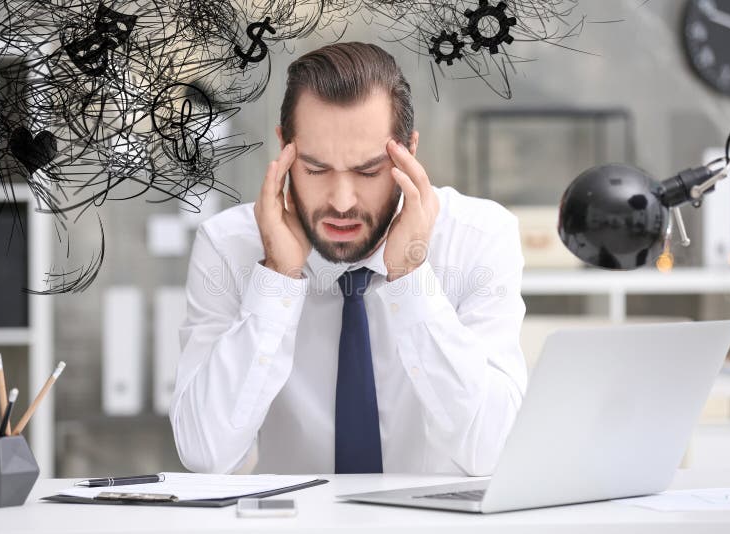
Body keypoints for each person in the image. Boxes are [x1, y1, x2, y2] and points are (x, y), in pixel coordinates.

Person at [169, 41, 527, 476]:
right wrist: (278, 277)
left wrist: (410, 274)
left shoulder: (480, 238)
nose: (341, 202)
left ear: (409, 154)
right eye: (317, 170)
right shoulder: (229, 246)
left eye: (368, 171)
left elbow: (493, 451)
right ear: (284, 150)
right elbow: (206, 453)